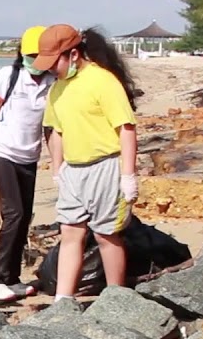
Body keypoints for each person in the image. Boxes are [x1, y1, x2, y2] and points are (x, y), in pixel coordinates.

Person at [34, 25, 139, 300]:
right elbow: (56, 131)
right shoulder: (57, 89)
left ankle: (116, 297)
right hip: (74, 169)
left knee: (106, 235)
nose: (51, 69)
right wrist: (57, 168)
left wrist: (128, 175)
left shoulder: (102, 81)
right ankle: (63, 299)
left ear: (73, 54)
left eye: (54, 62)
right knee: (69, 231)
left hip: (106, 165)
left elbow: (126, 129)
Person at [0, 25, 57, 301]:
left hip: (29, 157)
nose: (36, 60)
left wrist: (56, 163)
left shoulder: (51, 81)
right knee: (11, 214)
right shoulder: (9, 75)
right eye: (31, 54)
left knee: (24, 216)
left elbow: (49, 127)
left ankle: (11, 277)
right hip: (2, 153)